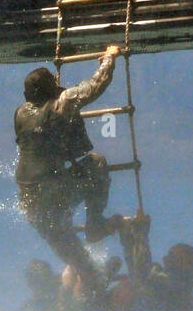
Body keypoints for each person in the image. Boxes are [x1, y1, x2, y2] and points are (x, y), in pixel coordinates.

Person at [14, 46, 121, 293]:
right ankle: (95, 224)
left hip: (28, 197)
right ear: (50, 90)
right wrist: (109, 58)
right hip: (52, 191)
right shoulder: (60, 104)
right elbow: (95, 86)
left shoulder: (20, 113)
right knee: (96, 163)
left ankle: (91, 282)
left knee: (70, 248)